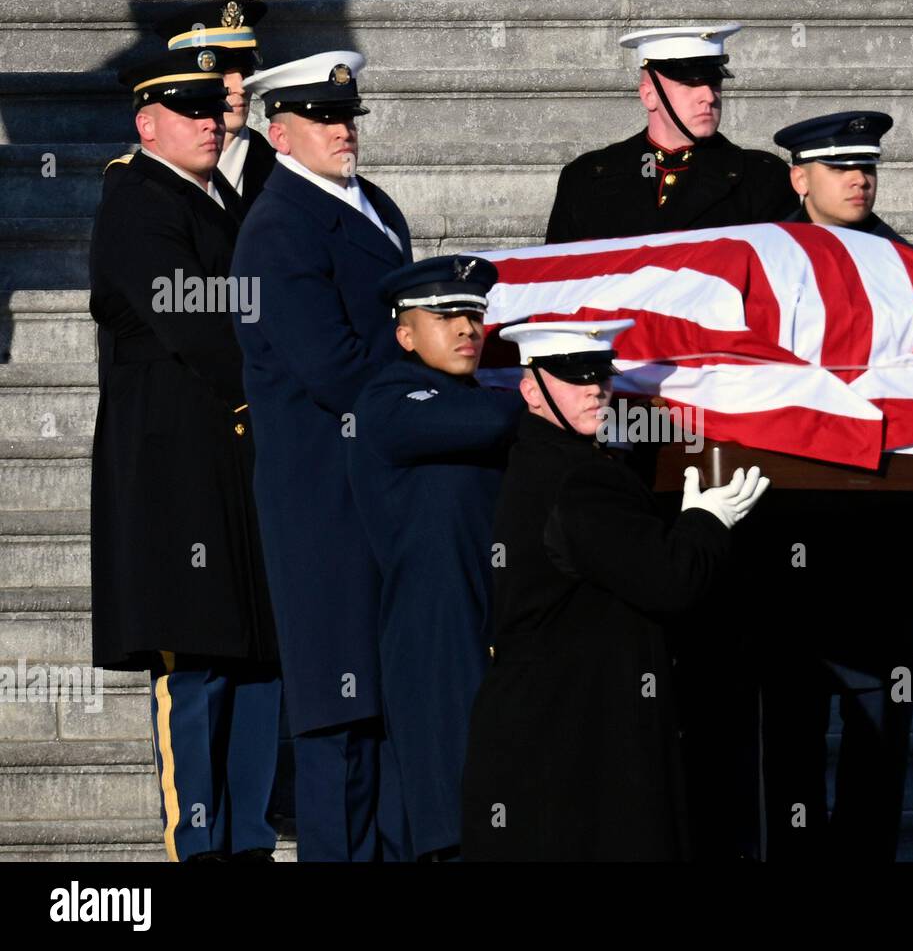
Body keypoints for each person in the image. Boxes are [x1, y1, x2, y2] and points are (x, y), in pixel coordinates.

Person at [460, 320, 770, 860]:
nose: (594, 389)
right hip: (581, 736)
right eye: (572, 378)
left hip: (556, 726)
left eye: (601, 376)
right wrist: (706, 522)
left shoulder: (545, 461)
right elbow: (671, 580)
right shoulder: (579, 479)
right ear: (531, 389)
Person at [89, 46, 279, 862]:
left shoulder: (221, 200)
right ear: (147, 123)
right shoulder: (136, 197)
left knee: (255, 660)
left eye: (215, 110)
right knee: (197, 665)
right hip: (173, 478)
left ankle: (248, 844)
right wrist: (277, 373)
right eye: (189, 111)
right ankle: (200, 848)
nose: (209, 122)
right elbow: (194, 318)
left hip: (236, 467)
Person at [231, 50, 413, 861]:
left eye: (347, 117)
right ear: (279, 133)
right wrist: (434, 391)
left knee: (382, 704)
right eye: (324, 119)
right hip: (325, 500)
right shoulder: (277, 229)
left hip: (376, 490)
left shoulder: (370, 204)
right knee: (339, 714)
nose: (344, 131)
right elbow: (335, 368)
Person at [347, 256, 523, 862]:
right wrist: (542, 393)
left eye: (474, 314)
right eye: (446, 314)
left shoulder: (485, 402)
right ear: (405, 334)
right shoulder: (388, 398)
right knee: (454, 813)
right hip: (434, 629)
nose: (467, 327)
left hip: (493, 617)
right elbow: (481, 420)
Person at [544, 24, 796, 243]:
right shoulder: (586, 178)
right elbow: (559, 280)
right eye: (689, 84)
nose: (708, 97)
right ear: (649, 95)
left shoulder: (762, 178)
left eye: (714, 83)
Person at [105, 0, 276, 209]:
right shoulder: (134, 178)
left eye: (246, 71)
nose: (240, 86)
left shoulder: (278, 165)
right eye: (221, 73)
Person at [773, 110, 913, 262]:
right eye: (840, 168)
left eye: (867, 167)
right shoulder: (767, 258)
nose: (861, 180)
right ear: (800, 180)